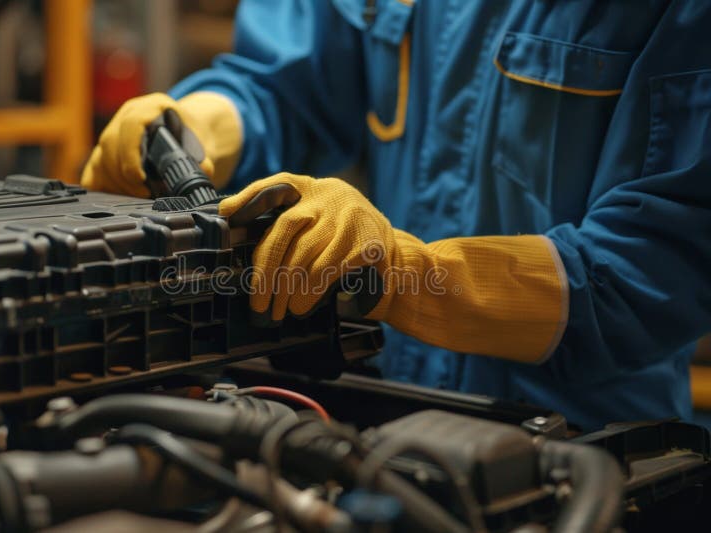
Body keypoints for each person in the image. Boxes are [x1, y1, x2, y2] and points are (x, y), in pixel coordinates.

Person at [81, 0, 711, 430]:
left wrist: (403, 274)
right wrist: (198, 125)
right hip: (385, 415)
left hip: (588, 444)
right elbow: (284, 85)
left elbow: (653, 266)